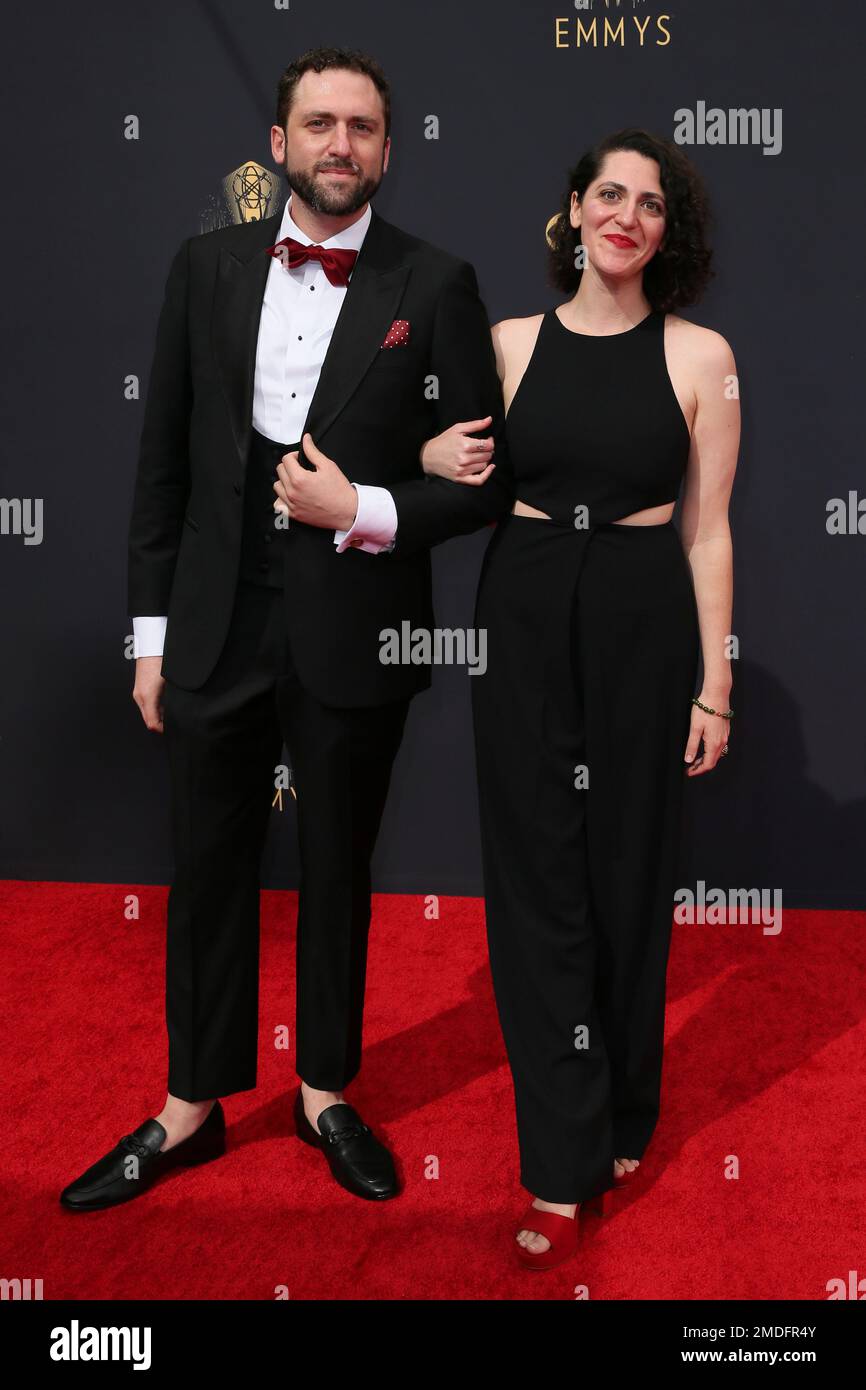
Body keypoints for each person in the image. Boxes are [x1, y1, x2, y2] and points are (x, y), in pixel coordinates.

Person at [59, 46, 513, 1212]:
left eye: (362, 127)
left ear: (387, 150)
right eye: (319, 123)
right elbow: (160, 465)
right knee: (204, 867)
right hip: (212, 619)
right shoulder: (204, 267)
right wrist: (147, 637)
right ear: (279, 145)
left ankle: (322, 1090)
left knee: (334, 869)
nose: (340, 145)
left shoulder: (435, 282)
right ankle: (189, 1106)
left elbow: (477, 479)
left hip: (353, 618)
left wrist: (357, 509)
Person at [420, 129, 739, 1269]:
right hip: (526, 605)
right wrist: (422, 461)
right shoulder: (507, 343)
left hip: (644, 615)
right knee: (535, 874)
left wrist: (714, 680)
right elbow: (457, 475)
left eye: (650, 204)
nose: (626, 216)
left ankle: (620, 1111)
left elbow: (706, 530)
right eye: (609, 194)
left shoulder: (700, 355)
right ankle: (557, 1162)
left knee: (627, 872)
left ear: (667, 232)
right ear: (572, 210)